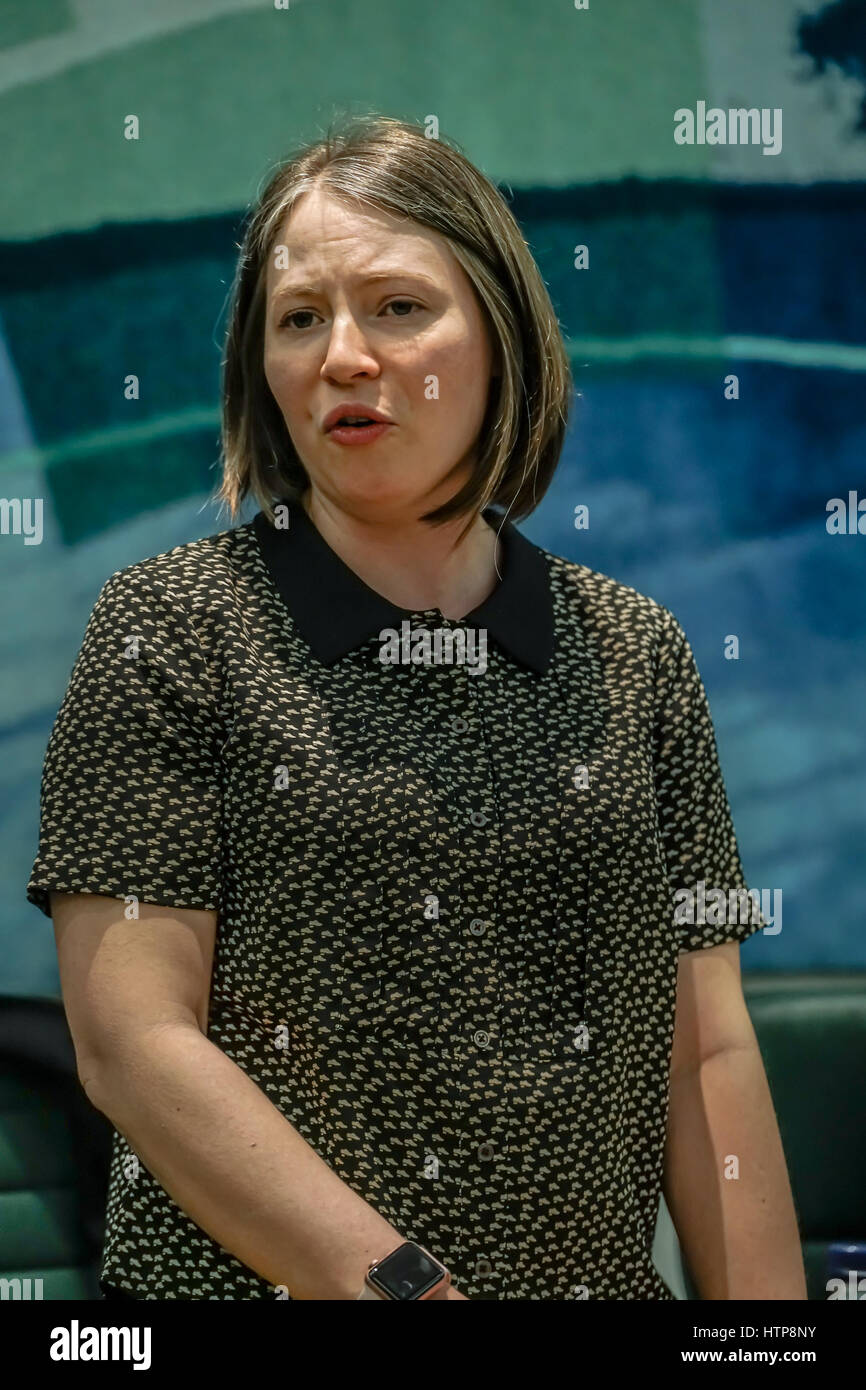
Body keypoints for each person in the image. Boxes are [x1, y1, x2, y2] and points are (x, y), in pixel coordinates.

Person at [26, 114, 806, 1301]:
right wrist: (405, 1293)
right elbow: (136, 1047)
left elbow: (702, 1050)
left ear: (500, 334)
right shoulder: (172, 627)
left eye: (395, 306)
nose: (343, 355)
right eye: (299, 318)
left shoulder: (635, 648)